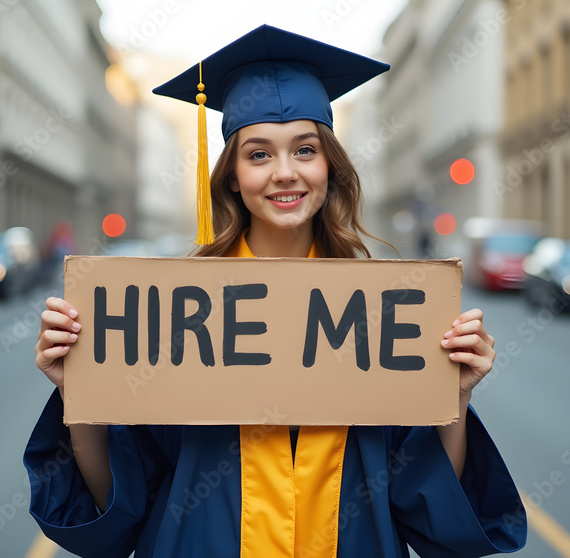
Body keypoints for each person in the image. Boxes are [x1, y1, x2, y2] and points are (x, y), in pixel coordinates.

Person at [26, 25, 527, 557]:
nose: (285, 173)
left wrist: (453, 397)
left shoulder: (383, 310)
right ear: (232, 176)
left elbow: (425, 505)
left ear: (329, 166)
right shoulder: (176, 311)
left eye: (305, 150)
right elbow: (119, 503)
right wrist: (78, 391)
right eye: (259, 154)